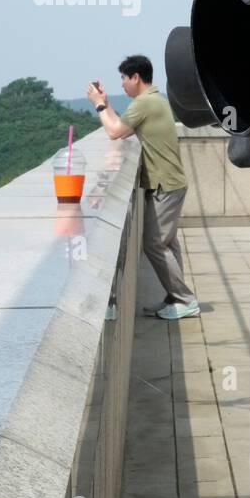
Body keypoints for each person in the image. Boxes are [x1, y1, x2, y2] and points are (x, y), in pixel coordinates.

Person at [87, 55, 199, 320]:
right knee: (167, 243)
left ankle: (186, 300)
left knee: (155, 243)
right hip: (170, 182)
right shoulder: (151, 101)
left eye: (124, 79)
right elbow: (123, 128)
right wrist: (108, 105)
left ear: (136, 77)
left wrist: (100, 106)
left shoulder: (145, 103)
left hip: (165, 184)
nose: (123, 84)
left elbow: (114, 132)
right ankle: (176, 297)